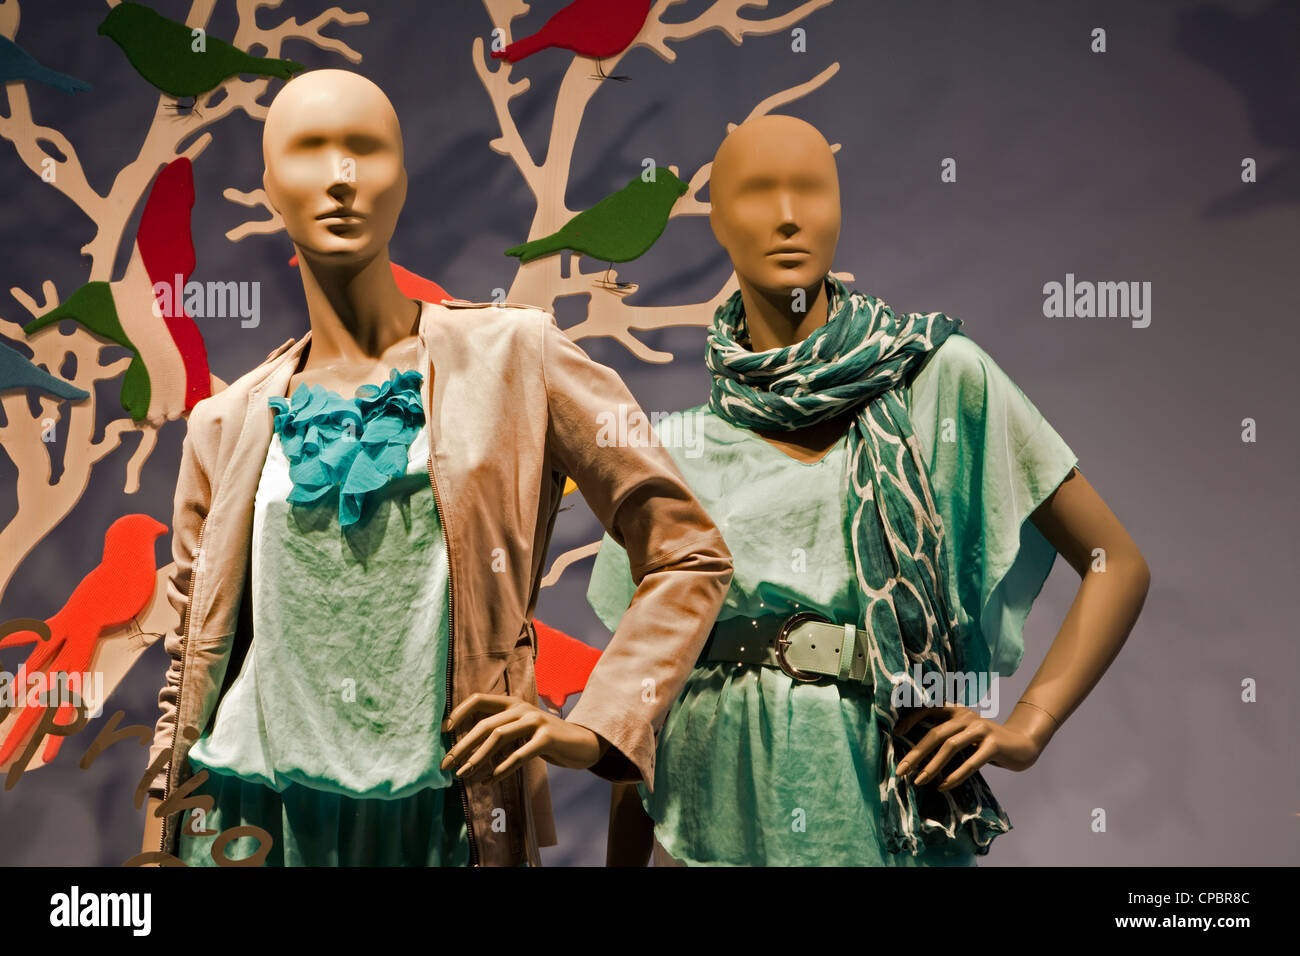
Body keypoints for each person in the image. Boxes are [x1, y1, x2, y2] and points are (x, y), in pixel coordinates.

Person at [138, 69, 733, 867]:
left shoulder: (517, 358)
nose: (342, 176)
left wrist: (595, 728)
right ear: (269, 188)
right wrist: (160, 842)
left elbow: (687, 550)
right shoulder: (227, 423)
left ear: (402, 181)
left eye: (366, 150)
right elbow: (193, 660)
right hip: (253, 818)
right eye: (310, 151)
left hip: (448, 810)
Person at [589, 115, 1151, 867]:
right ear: (716, 218)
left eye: (812, 191)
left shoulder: (941, 378)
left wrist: (1029, 725)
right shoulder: (680, 445)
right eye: (757, 193)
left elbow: (1117, 562)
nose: (789, 214)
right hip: (712, 797)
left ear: (840, 209)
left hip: (875, 784)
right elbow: (646, 686)